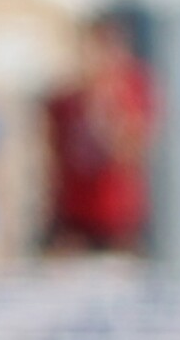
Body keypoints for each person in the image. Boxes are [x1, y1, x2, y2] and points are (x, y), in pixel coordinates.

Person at [46, 13, 154, 254]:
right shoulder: (65, 99)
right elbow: (55, 159)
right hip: (74, 215)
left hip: (118, 218)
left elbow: (132, 152)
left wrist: (105, 110)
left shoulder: (132, 88)